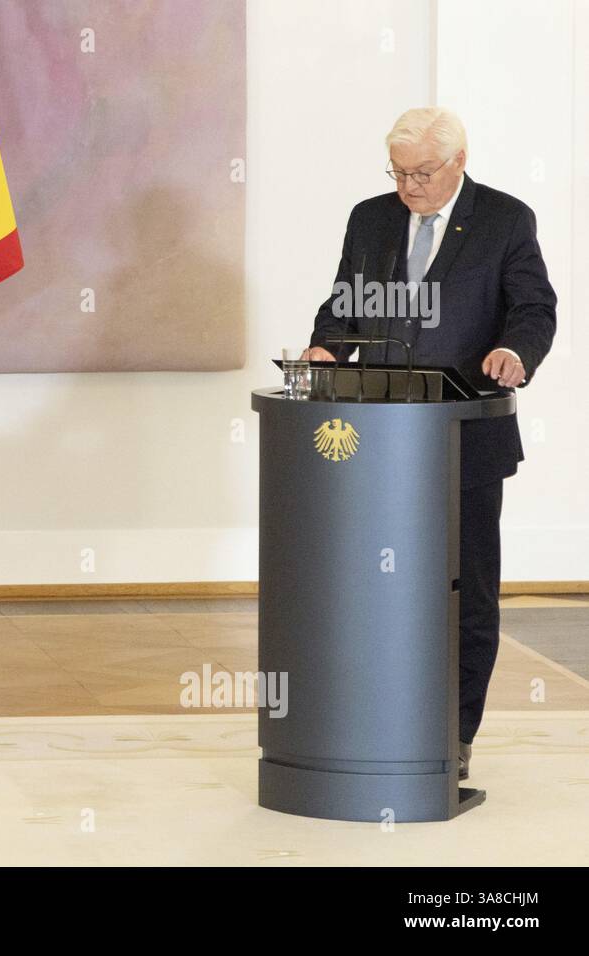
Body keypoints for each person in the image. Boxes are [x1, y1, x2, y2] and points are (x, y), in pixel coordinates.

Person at [304, 107, 556, 780]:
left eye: (421, 173)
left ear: (458, 161)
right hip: (376, 440)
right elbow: (344, 301)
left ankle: (454, 732)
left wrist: (513, 349)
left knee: (463, 592)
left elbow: (534, 308)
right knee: (372, 587)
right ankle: (370, 720)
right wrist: (327, 344)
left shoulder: (505, 219)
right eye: (398, 172)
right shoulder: (371, 217)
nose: (408, 187)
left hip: (465, 437)